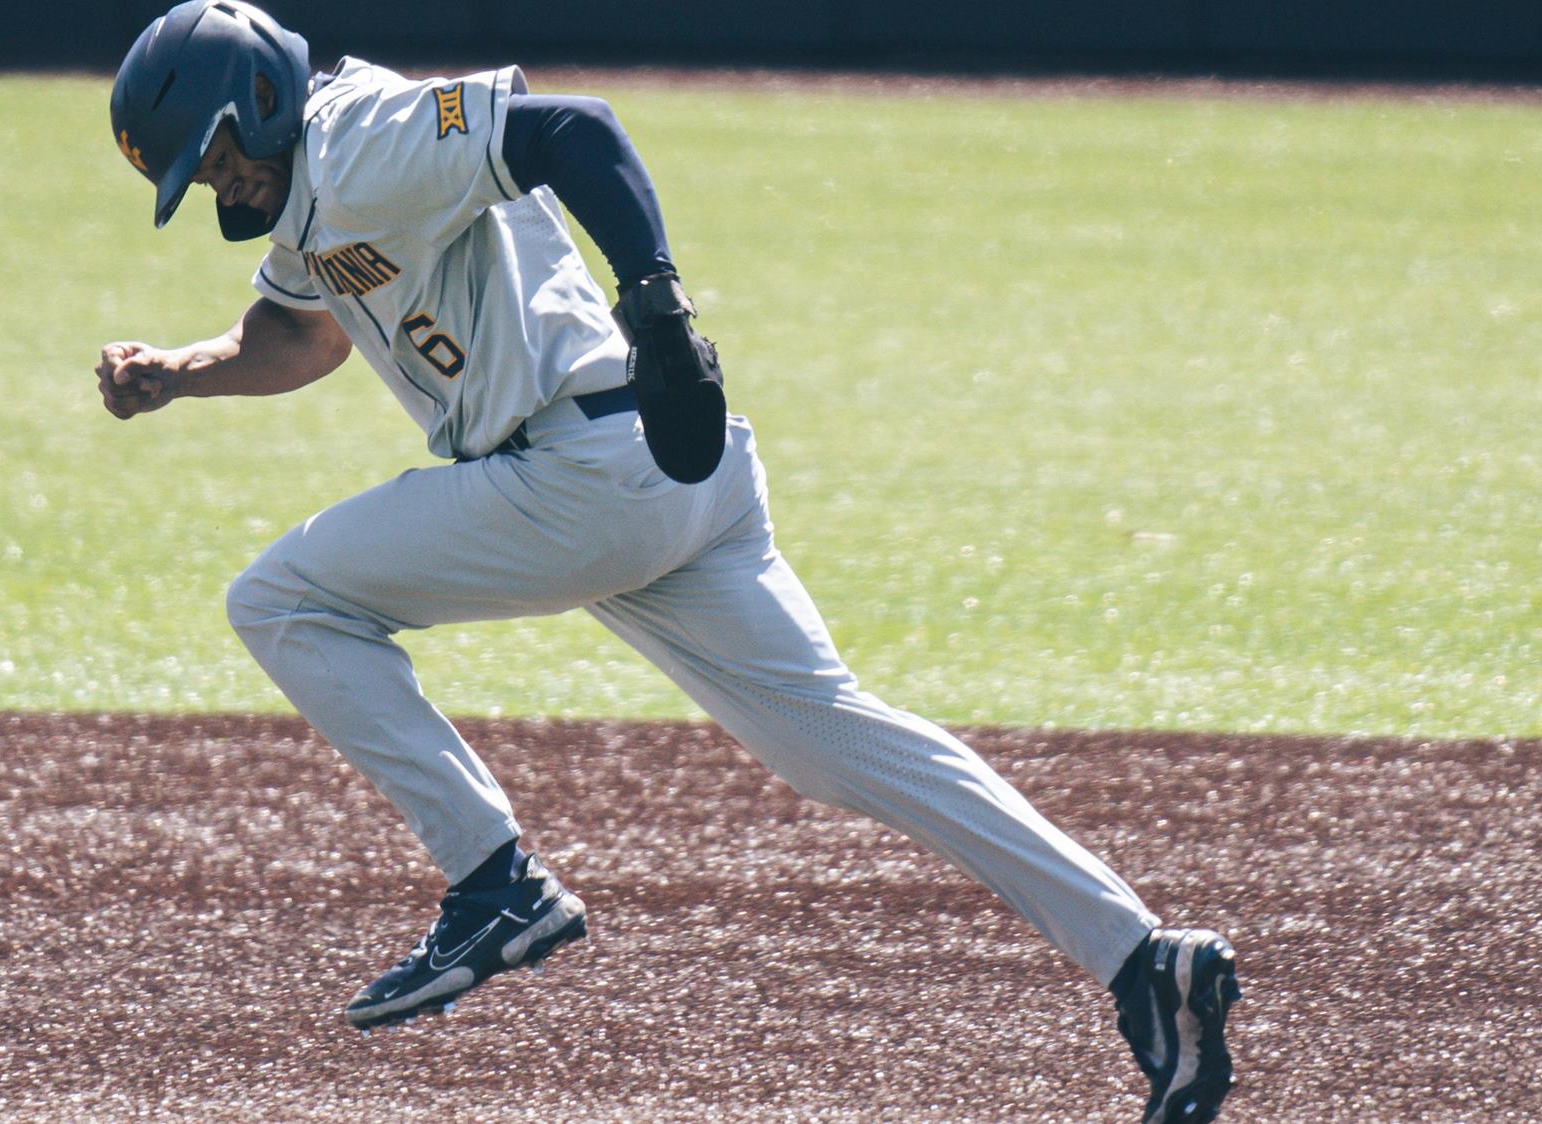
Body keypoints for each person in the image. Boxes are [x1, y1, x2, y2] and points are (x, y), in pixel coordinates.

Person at [96, 3, 1241, 1120]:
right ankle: (1142, 960)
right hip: (656, 481)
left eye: (215, 152)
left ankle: (494, 881)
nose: (215, 181)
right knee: (836, 742)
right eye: (195, 175)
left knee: (285, 600)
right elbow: (296, 333)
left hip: (577, 475)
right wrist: (178, 372)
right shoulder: (311, 190)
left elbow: (572, 128)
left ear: (257, 96)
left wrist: (653, 299)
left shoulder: (361, 132)